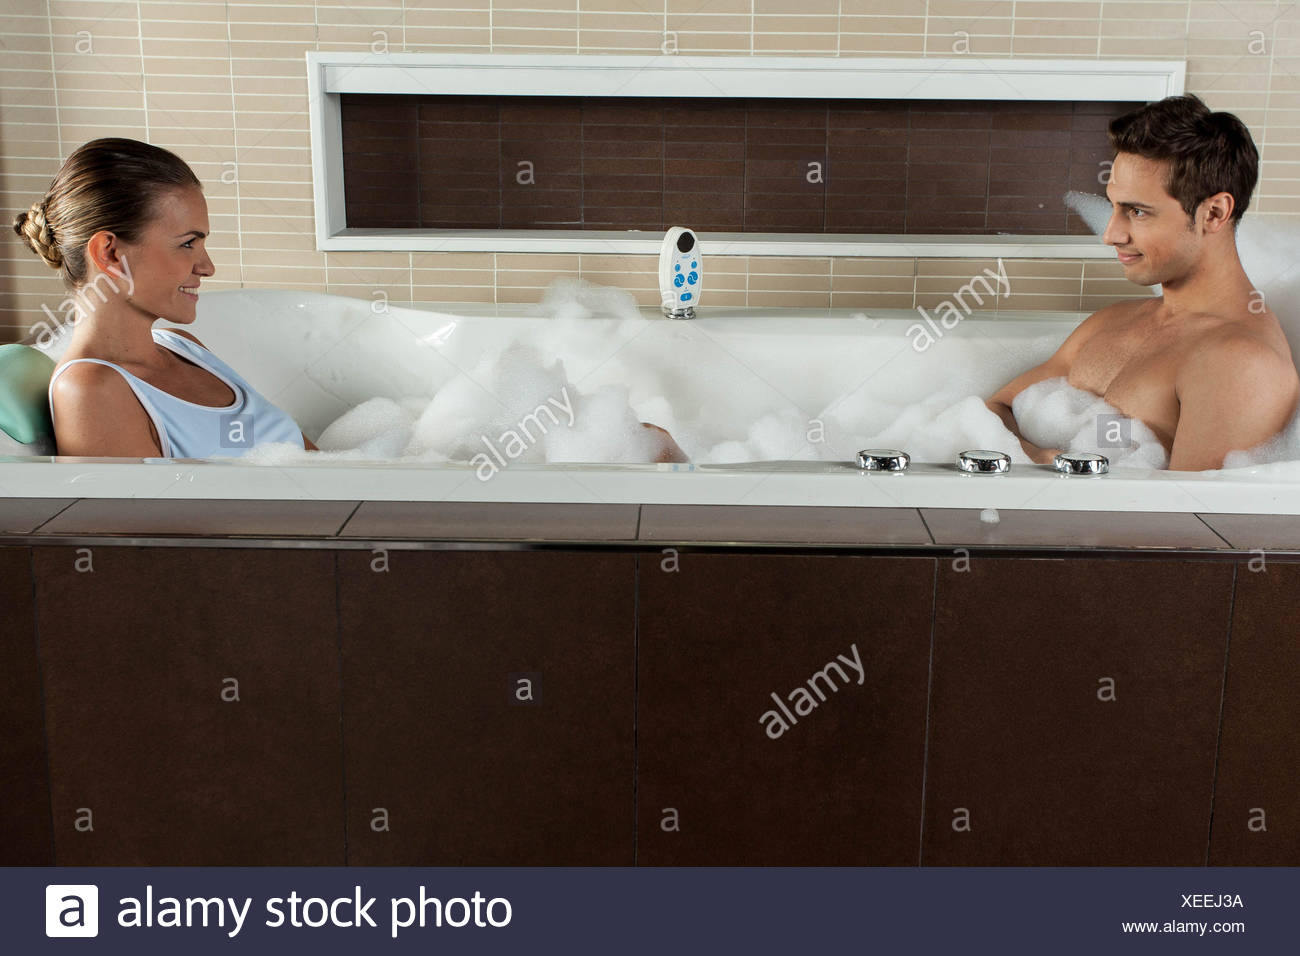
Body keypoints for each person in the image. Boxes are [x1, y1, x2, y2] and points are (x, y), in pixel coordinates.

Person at [13, 138, 688, 463]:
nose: (207, 265)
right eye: (187, 243)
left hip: (363, 502)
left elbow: (307, 462)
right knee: (637, 454)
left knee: (646, 443)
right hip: (325, 558)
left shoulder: (182, 346)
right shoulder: (92, 392)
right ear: (110, 254)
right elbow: (155, 569)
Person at [986, 94, 1300, 471]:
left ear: (1214, 213)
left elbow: (1186, 521)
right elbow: (996, 409)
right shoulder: (1113, 321)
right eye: (1115, 205)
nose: (1111, 234)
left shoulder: (1242, 365)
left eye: (1136, 211)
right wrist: (1040, 459)